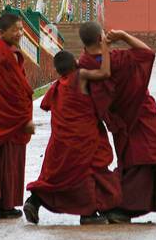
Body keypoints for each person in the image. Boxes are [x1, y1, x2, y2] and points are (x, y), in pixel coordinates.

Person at [77, 22, 156, 223]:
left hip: (121, 121)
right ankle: (121, 207)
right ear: (101, 37)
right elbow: (148, 54)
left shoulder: (84, 65)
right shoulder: (119, 58)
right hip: (142, 115)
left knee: (131, 161)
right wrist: (123, 35)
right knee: (140, 160)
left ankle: (118, 206)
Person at [22, 38, 121, 226]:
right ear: (75, 63)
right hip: (84, 138)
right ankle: (89, 213)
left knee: (56, 177)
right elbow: (104, 73)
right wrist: (105, 49)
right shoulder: (80, 76)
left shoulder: (58, 85)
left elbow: (45, 104)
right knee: (89, 172)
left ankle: (34, 201)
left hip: (60, 141)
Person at [0, 13, 35, 218]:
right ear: (2, 32)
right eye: (15, 30)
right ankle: (6, 206)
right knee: (9, 162)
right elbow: (17, 89)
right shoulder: (2, 54)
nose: (20, 33)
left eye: (21, 29)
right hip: (7, 116)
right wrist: (24, 117)